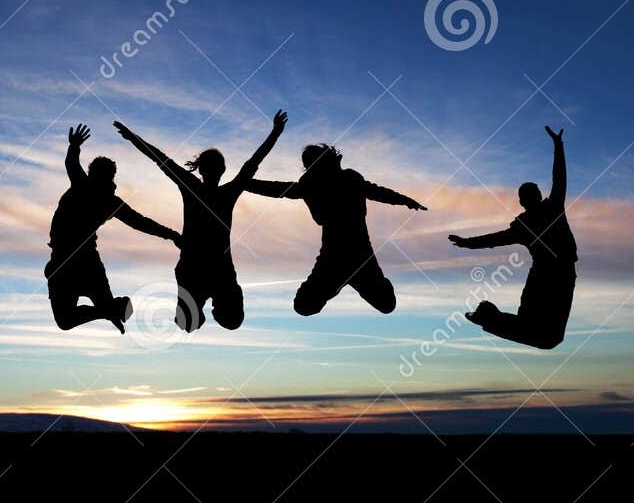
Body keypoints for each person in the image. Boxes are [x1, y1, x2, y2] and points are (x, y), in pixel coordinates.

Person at [113, 111, 287, 331]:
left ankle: (212, 305)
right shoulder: (202, 188)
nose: (213, 171)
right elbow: (160, 159)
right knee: (188, 323)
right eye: (211, 167)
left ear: (217, 170)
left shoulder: (214, 190)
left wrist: (275, 133)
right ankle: (197, 310)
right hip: (195, 269)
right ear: (210, 170)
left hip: (215, 270)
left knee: (231, 321)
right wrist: (133, 138)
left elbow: (253, 162)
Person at [246, 143, 425, 315]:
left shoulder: (349, 179)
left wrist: (405, 201)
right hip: (332, 258)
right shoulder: (311, 184)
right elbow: (279, 189)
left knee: (387, 305)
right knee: (303, 307)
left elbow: (378, 192)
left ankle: (352, 279)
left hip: (359, 255)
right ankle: (344, 280)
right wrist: (247, 184)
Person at [448, 126, 576, 349]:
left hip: (560, 275)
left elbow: (559, 178)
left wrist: (558, 146)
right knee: (547, 337)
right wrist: (467, 243)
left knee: (548, 337)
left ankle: (487, 315)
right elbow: (494, 239)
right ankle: (487, 315)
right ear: (526, 201)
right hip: (550, 275)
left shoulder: (551, 209)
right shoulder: (531, 221)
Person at [45, 124, 180, 331]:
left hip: (79, 262)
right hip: (70, 261)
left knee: (66, 320)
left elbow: (139, 222)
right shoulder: (102, 196)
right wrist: (109, 312)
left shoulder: (92, 191)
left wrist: (74, 146)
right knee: (66, 320)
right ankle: (112, 308)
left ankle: (111, 309)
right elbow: (140, 222)